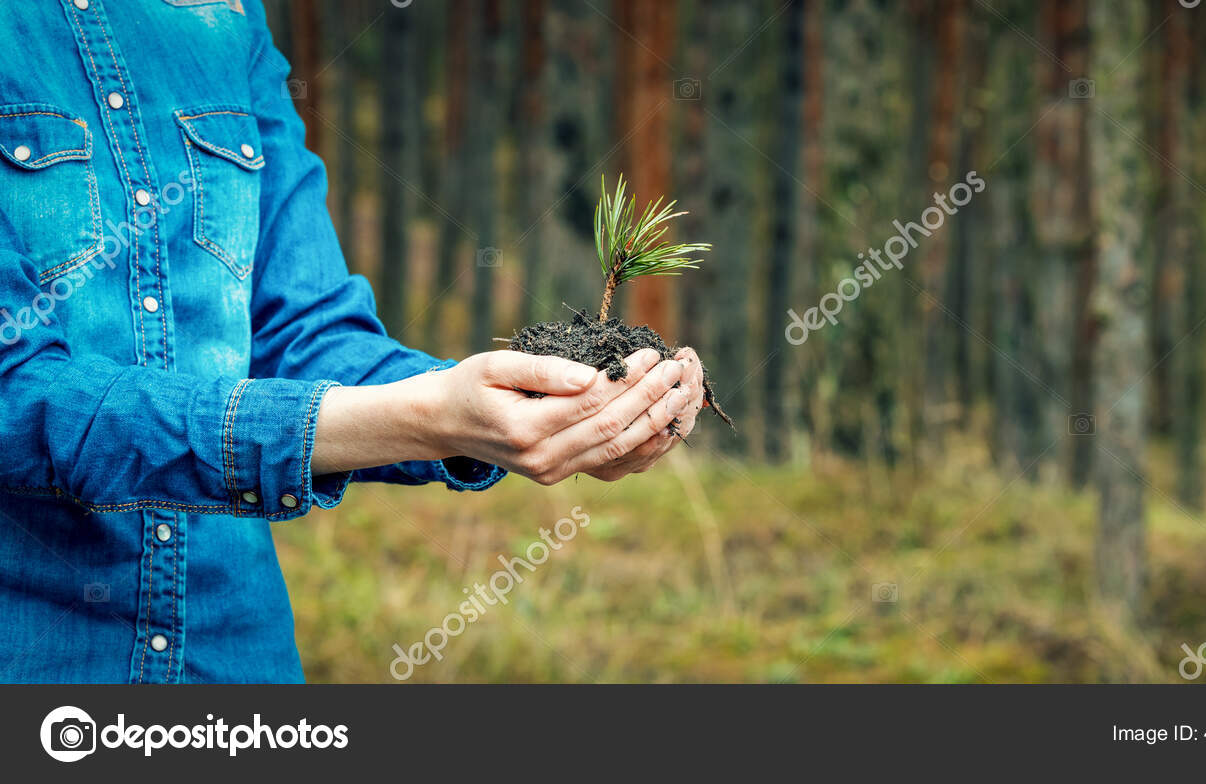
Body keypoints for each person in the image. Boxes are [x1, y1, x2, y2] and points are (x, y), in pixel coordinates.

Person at [0, 0, 705, 683]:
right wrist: (427, 418)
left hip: (234, 660)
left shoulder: (225, 20)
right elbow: (17, 394)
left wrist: (500, 405)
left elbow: (303, 331)